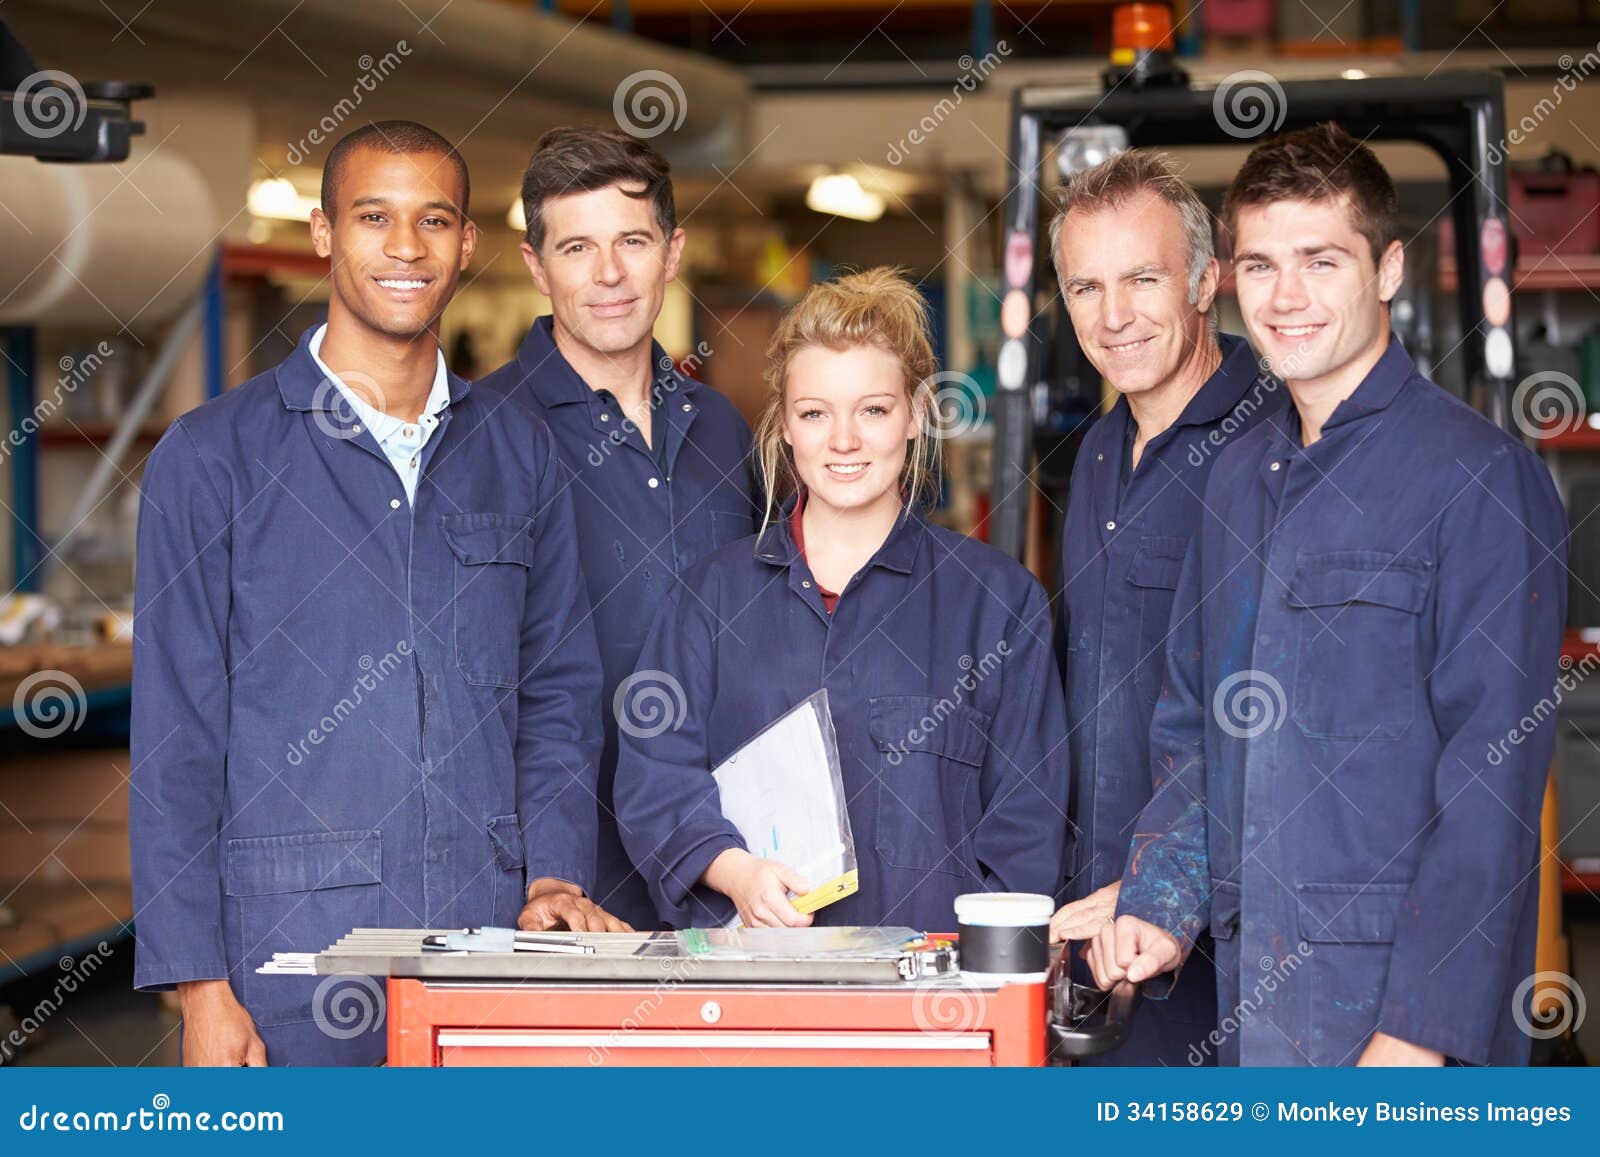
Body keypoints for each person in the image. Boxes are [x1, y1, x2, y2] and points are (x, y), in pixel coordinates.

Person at [131, 121, 626, 1068]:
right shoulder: (212, 459)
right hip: (290, 962)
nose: (406, 247)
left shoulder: (520, 454)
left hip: (488, 945)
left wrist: (555, 872)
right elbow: (175, 736)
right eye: (374, 216)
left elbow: (559, 693)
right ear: (323, 234)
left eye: (434, 219)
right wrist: (199, 985)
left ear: (467, 246)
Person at [1087, 124, 1568, 1067]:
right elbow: (1192, 727)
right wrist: (1161, 902)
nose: (1288, 297)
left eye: (1321, 260)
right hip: (1250, 1004)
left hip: (1394, 1019)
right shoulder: (1234, 479)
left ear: (1388, 269)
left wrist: (1420, 1032)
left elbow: (1492, 787)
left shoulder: (1477, 480)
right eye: (1260, 266)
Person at [612, 268, 1068, 930]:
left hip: (931, 1013)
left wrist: (966, 989)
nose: (844, 441)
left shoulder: (998, 605)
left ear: (914, 416)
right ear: (785, 427)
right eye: (815, 413)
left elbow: (1028, 830)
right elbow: (655, 777)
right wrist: (733, 870)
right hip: (753, 1003)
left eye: (873, 410)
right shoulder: (708, 599)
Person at [479, 127, 758, 930]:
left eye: (631, 241)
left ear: (672, 253)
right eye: (576, 247)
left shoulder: (722, 429)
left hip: (724, 874)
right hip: (557, 892)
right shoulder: (481, 433)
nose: (607, 274)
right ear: (536, 267)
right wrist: (545, 877)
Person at [1048, 149, 1282, 1066]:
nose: (1113, 317)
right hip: (1100, 933)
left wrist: (1163, 884)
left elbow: (1269, 725)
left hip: (1225, 943)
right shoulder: (1098, 454)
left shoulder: (1272, 447)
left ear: (1204, 282)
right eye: (1085, 287)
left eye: (1142, 279)